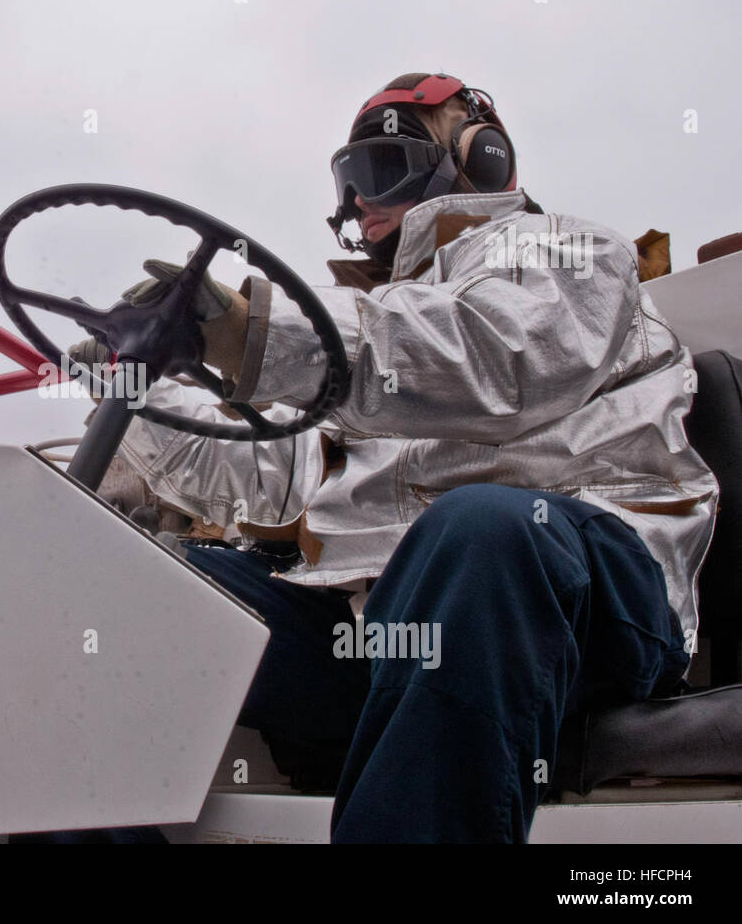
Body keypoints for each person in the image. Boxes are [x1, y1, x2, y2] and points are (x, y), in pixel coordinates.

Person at [93, 72, 717, 842]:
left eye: (379, 170)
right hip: (381, 633)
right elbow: (266, 484)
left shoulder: (569, 254)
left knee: (482, 530)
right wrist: (129, 391)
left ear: (481, 158)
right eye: (345, 181)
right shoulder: (362, 328)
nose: (356, 202)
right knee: (120, 584)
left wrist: (253, 334)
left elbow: (495, 363)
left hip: (576, 599)